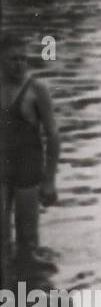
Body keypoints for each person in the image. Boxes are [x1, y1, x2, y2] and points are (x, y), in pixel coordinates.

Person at [1, 32, 60, 271]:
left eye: (24, 59)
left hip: (28, 172)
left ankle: (30, 292)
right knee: (2, 244)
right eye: (14, 59)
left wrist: (49, 181)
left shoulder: (37, 89)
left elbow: (53, 136)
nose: (20, 64)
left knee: (28, 243)